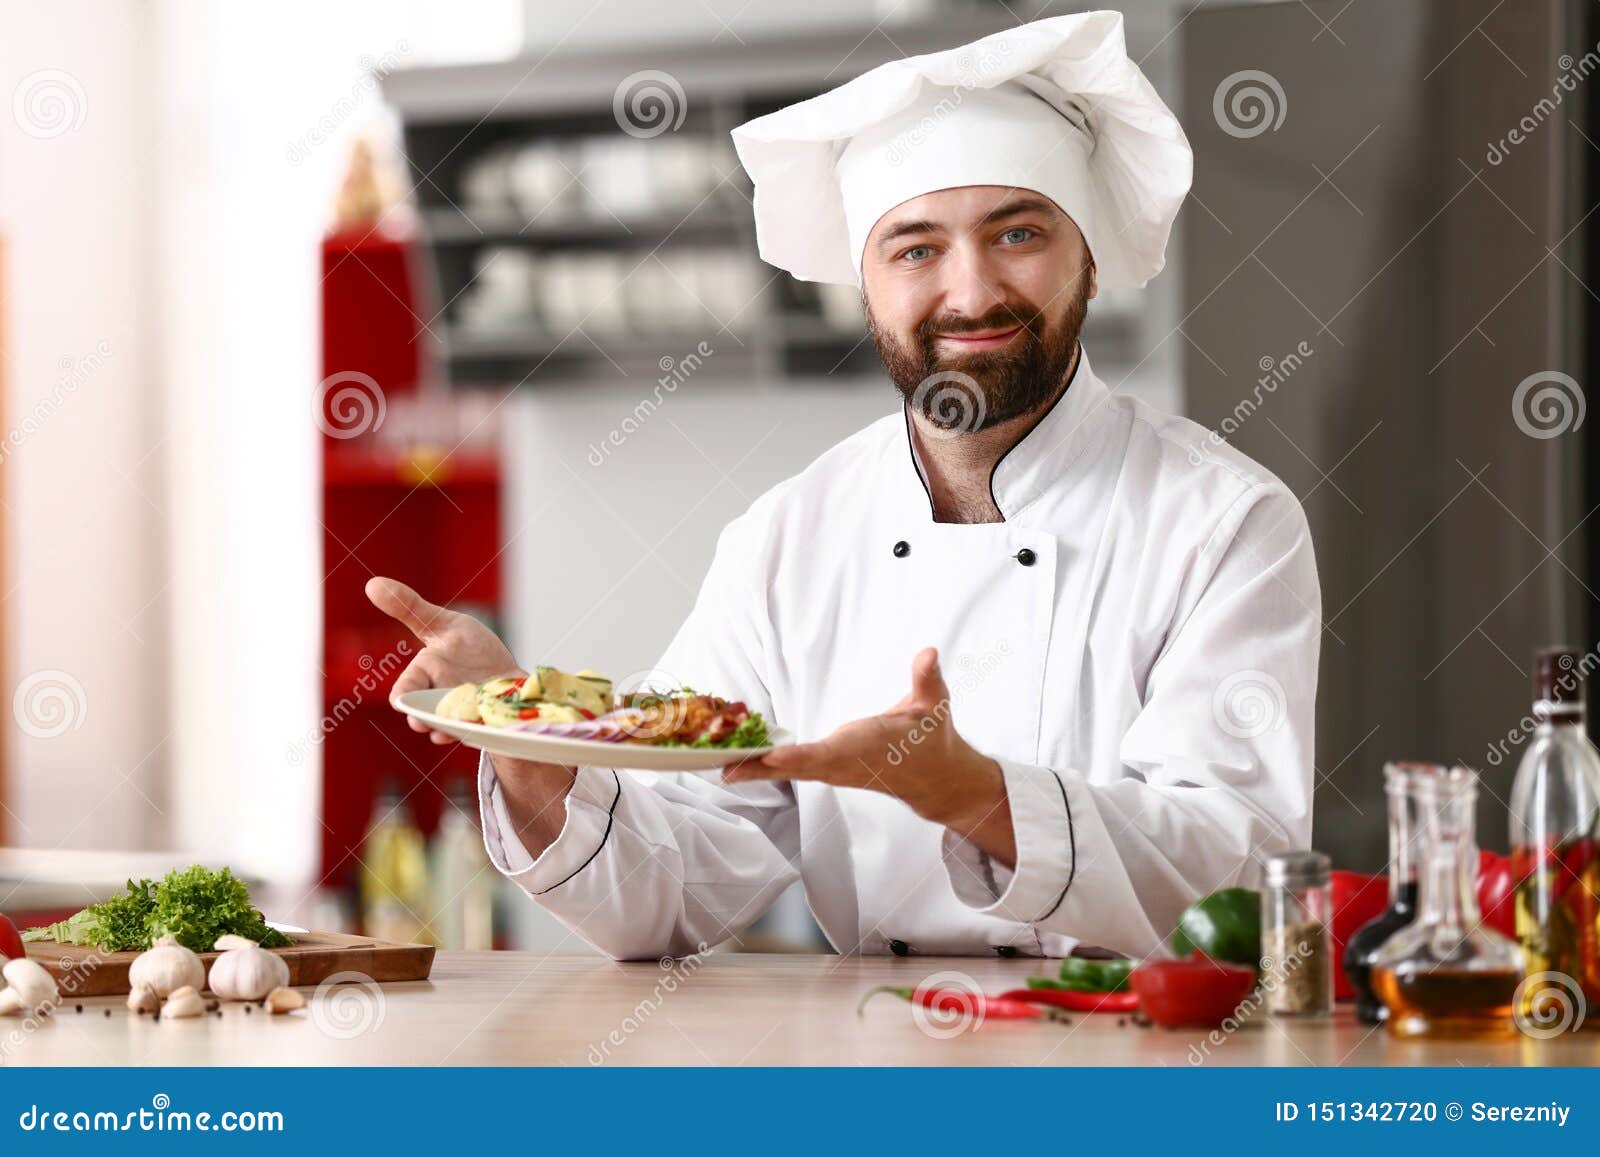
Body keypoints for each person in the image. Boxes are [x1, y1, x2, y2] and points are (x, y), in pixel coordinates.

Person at [367, 10, 1320, 960]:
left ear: (1091, 257)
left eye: (1017, 233)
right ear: (863, 286)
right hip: (878, 1047)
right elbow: (669, 898)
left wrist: (975, 795)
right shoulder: (792, 535)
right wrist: (525, 737)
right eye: (915, 249)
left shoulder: (1222, 521)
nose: (972, 291)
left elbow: (1238, 882)